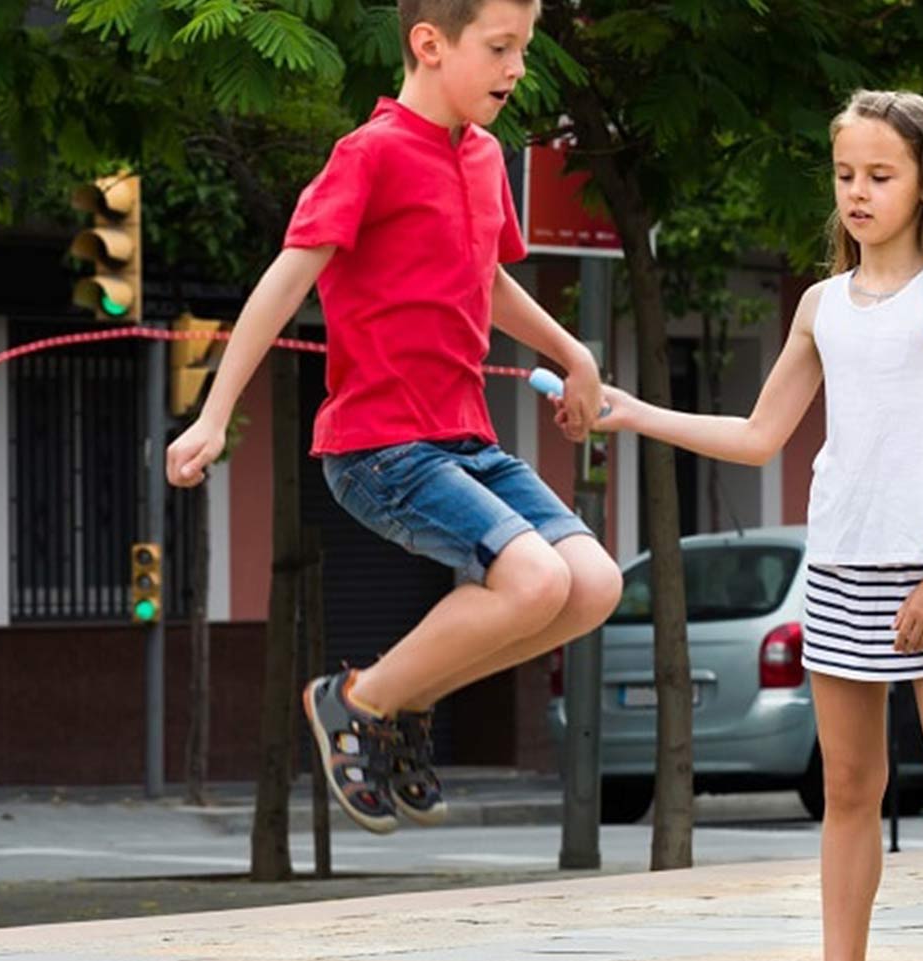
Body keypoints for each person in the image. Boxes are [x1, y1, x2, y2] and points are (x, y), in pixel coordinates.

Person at [166, 0, 621, 835]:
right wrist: (212, 412)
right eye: (500, 48)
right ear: (429, 45)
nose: (518, 68)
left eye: (523, 47)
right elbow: (286, 278)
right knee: (536, 578)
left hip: (464, 440)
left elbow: (487, 279)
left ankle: (404, 697)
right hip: (380, 447)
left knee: (592, 585)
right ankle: (354, 701)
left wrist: (575, 353)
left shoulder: (483, 157)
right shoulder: (367, 155)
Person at [590, 91, 923, 961]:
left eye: (880, 175)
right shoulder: (820, 303)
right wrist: (633, 410)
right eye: (845, 174)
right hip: (836, 574)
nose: (857, 192)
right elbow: (756, 437)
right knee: (852, 788)